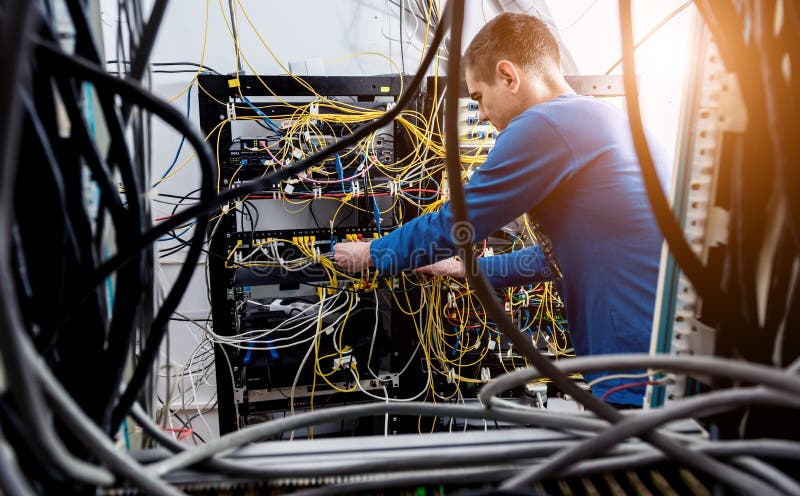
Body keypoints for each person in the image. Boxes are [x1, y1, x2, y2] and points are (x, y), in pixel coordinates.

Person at [333, 12, 670, 407]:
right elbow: (558, 258)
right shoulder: (602, 119)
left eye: (478, 97)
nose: (483, 115)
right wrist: (464, 268)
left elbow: (456, 222)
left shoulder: (545, 125)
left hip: (635, 370)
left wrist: (372, 253)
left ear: (509, 76)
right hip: (656, 359)